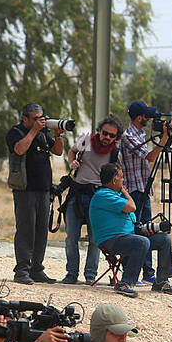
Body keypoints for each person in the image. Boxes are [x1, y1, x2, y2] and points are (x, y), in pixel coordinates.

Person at [89, 163, 172, 297]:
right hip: (110, 240)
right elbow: (132, 206)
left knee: (164, 239)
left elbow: (131, 220)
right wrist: (125, 192)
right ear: (114, 180)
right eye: (122, 177)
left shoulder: (115, 197)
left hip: (127, 237)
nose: (123, 181)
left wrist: (146, 230)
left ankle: (161, 281)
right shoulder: (103, 195)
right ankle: (125, 283)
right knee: (141, 242)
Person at [7, 103, 66, 285]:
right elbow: (19, 149)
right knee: (26, 230)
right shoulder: (16, 132)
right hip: (25, 189)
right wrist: (33, 131)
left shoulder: (42, 134)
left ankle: (37, 269)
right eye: (35, 119)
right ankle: (22, 271)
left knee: (41, 231)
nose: (40, 122)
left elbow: (58, 151)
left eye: (42, 118)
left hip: (44, 190)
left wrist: (58, 135)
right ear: (25, 118)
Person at [61, 114, 123, 285]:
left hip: (99, 198)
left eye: (112, 135)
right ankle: (71, 273)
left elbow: (118, 175)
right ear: (99, 131)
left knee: (95, 239)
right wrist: (72, 163)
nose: (107, 137)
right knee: (71, 237)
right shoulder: (86, 140)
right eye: (105, 133)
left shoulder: (115, 153)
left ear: (116, 138)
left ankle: (90, 275)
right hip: (77, 193)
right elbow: (72, 151)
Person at [119, 101, 171, 284]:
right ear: (139, 117)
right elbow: (150, 157)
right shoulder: (128, 136)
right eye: (147, 115)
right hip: (133, 190)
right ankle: (129, 272)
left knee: (147, 230)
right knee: (132, 231)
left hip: (143, 189)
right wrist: (165, 137)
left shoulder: (141, 133)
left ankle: (148, 273)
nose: (150, 118)